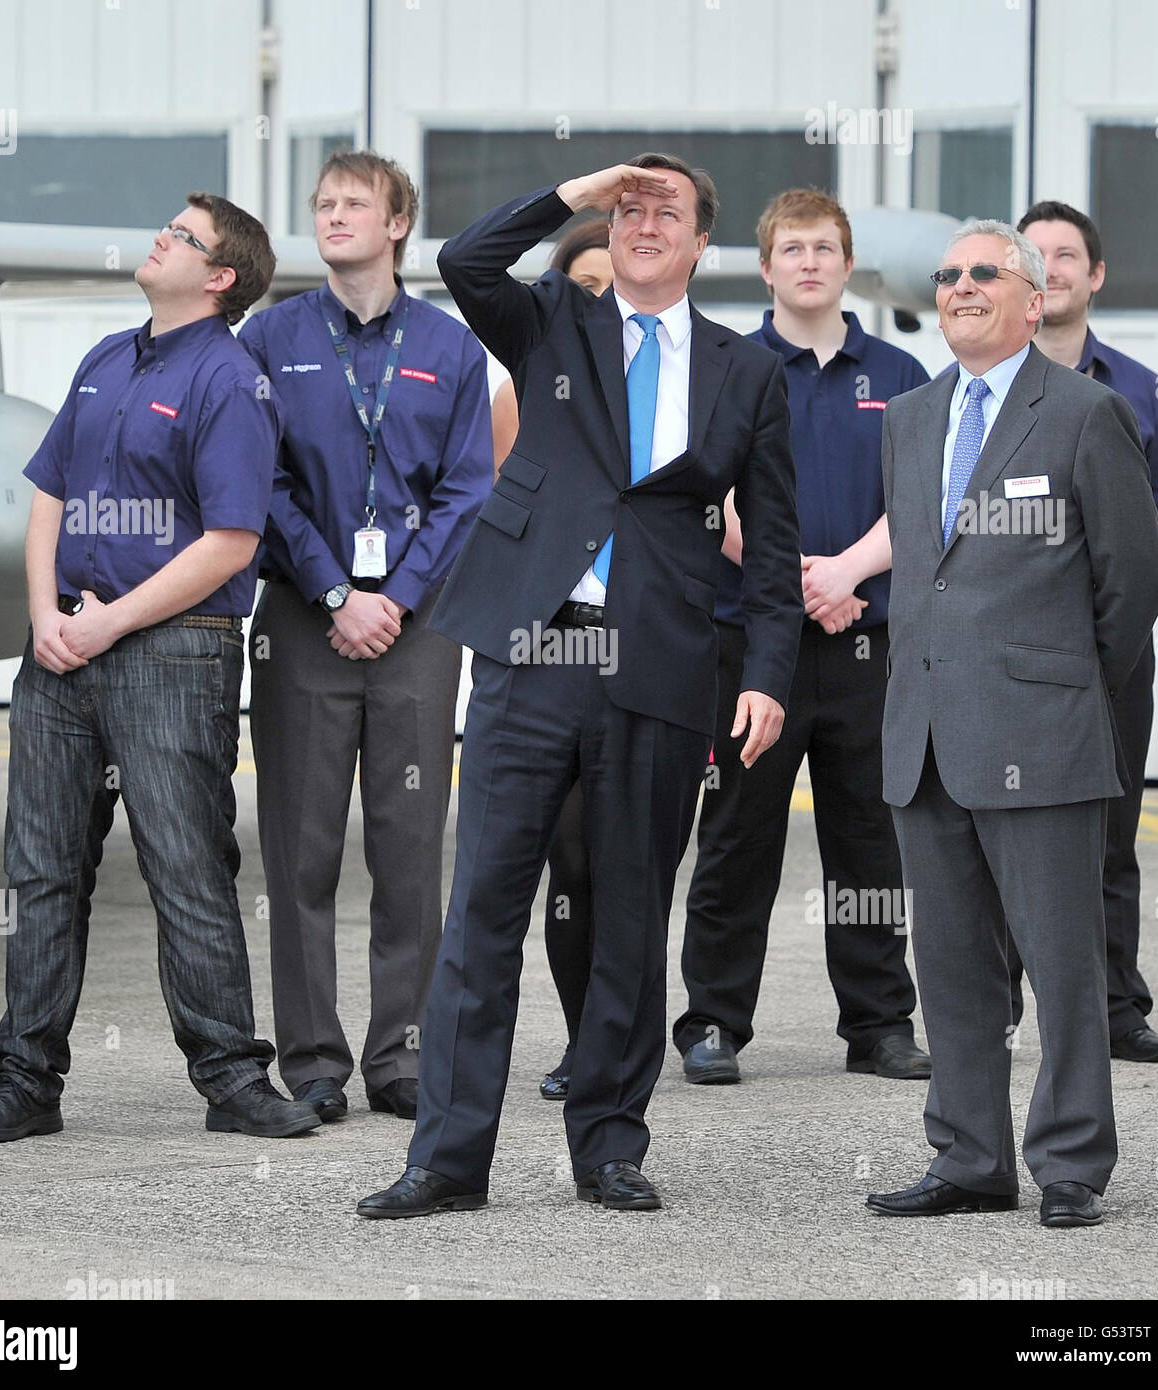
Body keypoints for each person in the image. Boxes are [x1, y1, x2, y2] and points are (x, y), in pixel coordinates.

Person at [358, 154, 803, 1218]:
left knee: (628, 914)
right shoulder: (558, 320)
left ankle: (608, 1143)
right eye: (633, 207)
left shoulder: (748, 372)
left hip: (658, 667)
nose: (647, 222)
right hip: (531, 650)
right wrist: (573, 192)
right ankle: (448, 1157)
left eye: (671, 211)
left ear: (703, 244)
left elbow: (777, 550)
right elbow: (464, 259)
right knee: (484, 912)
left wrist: (772, 676)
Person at [0, 195, 321, 1143]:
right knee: (40, 871)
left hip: (174, 649)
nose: (159, 238)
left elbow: (232, 542)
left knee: (186, 866)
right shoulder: (105, 361)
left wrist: (108, 621)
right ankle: (24, 1084)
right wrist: (42, 615)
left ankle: (234, 1082)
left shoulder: (232, 380)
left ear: (220, 275)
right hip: (63, 650)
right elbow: (48, 494)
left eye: (181, 236)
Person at [867, 220, 1158, 1228]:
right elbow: (923, 572)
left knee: (1063, 962)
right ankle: (970, 1156)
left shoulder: (1088, 413)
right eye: (947, 274)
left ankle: (1072, 1161)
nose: (959, 286)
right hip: (927, 738)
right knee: (948, 965)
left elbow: (1131, 584)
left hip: (1040, 735)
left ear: (1034, 301)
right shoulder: (907, 417)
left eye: (983, 273)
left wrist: (1058, 688)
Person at [238, 151, 492, 1123]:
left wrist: (397, 594)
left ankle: (402, 1055)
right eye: (323, 204)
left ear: (397, 224)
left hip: (419, 629)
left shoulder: (451, 347)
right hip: (306, 622)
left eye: (355, 203)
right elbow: (258, 481)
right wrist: (337, 587)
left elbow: (469, 488)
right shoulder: (272, 337)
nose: (335, 215)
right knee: (299, 854)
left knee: (408, 845)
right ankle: (311, 1059)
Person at [674, 189, 931, 1086]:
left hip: (866, 640)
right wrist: (794, 585)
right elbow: (714, 493)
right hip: (754, 646)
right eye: (793, 248)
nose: (810, 262)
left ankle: (879, 1024)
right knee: (739, 834)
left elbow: (918, 502)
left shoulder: (899, 374)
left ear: (847, 263)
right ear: (769, 264)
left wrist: (845, 576)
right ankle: (711, 1022)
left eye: (825, 247)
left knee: (869, 837)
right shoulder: (729, 365)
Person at [1015, 200, 1158, 1064]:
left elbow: (1145, 533)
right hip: (1007, 655)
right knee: (999, 832)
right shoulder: (976, 388)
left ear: (1095, 275)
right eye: (1034, 254)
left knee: (1109, 832)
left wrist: (1105, 636)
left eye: (1065, 254)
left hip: (1110, 652)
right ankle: (999, 1009)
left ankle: (1116, 1006)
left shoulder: (1140, 390)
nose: (1049, 268)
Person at [490, 218, 614, 1102]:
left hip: (646, 652)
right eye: (584, 288)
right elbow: (508, 530)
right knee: (564, 866)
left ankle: (619, 1044)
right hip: (547, 646)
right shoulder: (525, 386)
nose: (601, 303)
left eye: (615, 287)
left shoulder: (680, 387)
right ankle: (581, 1044)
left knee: (626, 872)